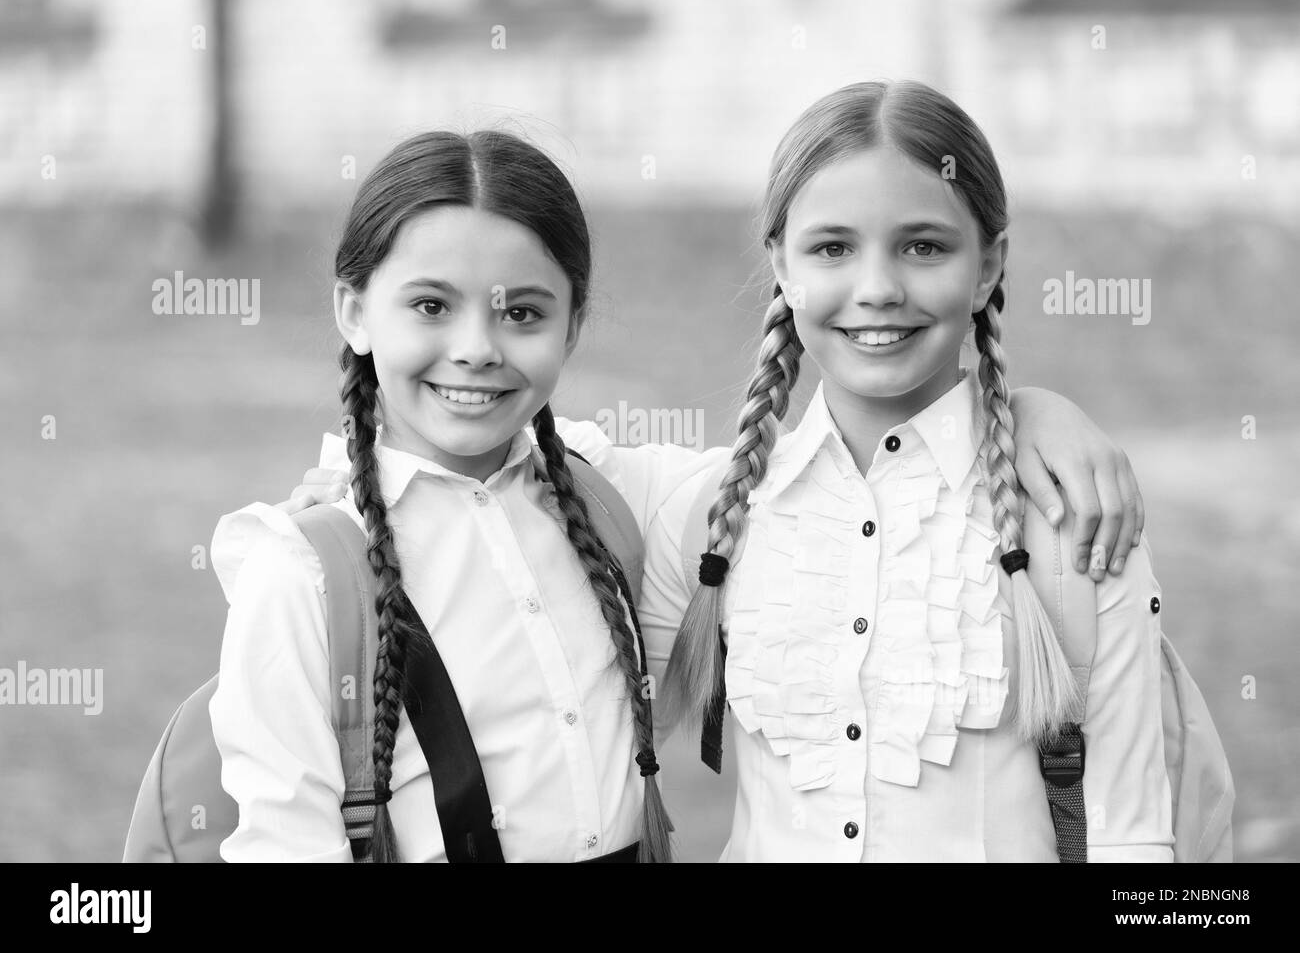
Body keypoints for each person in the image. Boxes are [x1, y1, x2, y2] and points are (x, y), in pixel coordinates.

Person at [649, 80, 1173, 860]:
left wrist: (1032, 406)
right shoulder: (710, 517)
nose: (879, 289)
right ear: (781, 266)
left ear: (989, 265)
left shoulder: (1073, 526)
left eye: (924, 245)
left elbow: (1137, 846)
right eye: (832, 248)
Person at [208, 129, 674, 862]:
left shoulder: (608, 488)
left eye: (523, 312)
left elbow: (777, 485)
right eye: (431, 305)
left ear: (573, 326)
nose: (477, 347)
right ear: (356, 313)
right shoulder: (301, 574)